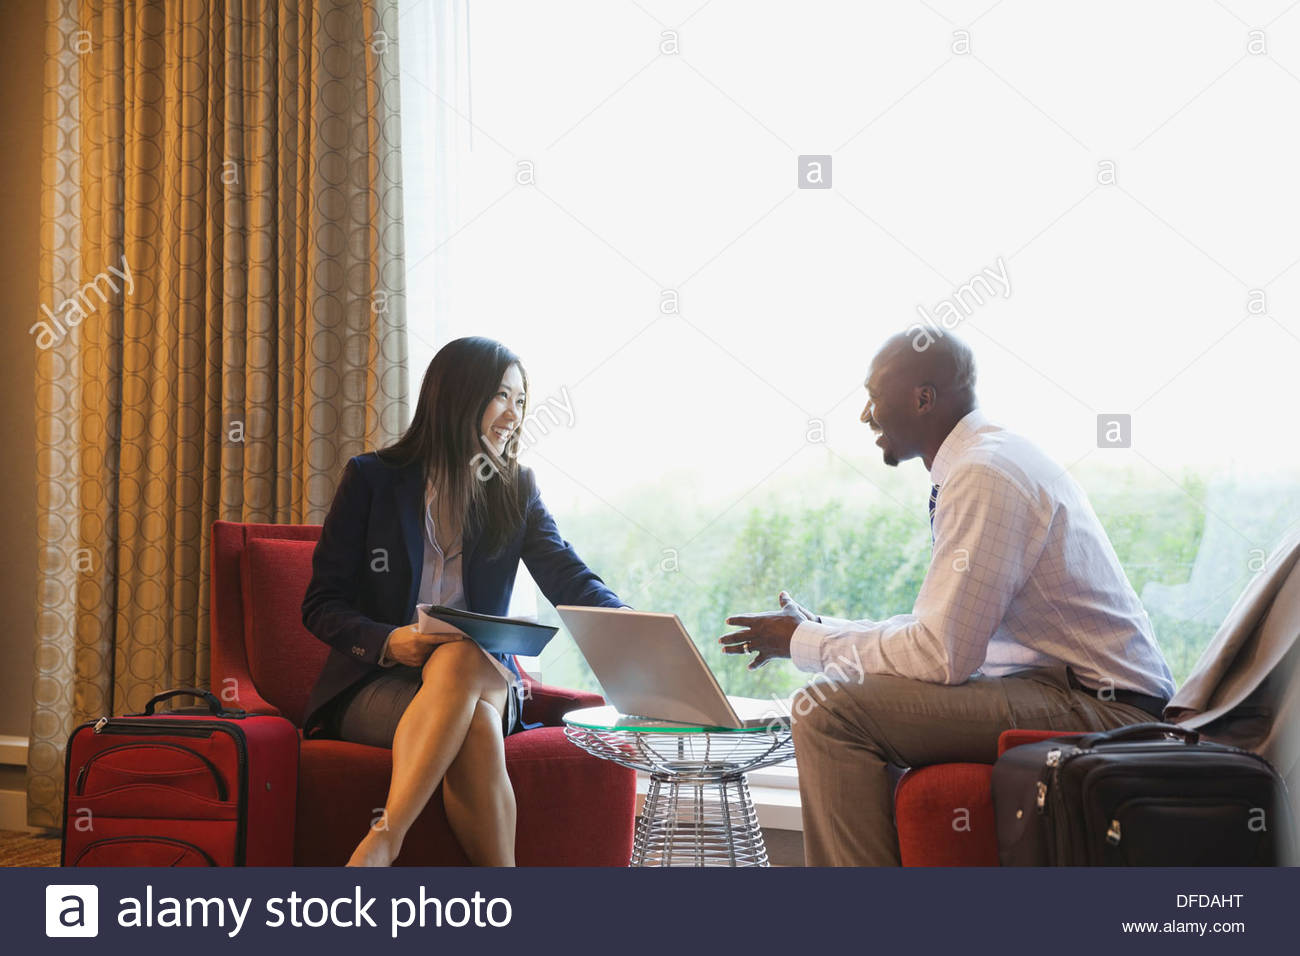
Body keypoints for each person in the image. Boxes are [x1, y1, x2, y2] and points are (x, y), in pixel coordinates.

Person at [720, 329, 1176, 866]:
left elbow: (940, 656)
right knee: (840, 698)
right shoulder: (983, 460)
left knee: (826, 712)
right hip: (1061, 691)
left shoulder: (985, 474)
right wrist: (814, 629)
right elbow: (938, 633)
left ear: (923, 398)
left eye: (873, 395)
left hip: (1106, 711)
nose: (866, 414)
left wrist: (807, 641)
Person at [300, 336, 623, 867]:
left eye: (521, 401)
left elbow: (567, 575)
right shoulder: (372, 480)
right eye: (502, 397)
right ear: (457, 396)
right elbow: (321, 602)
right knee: (473, 727)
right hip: (382, 683)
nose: (513, 416)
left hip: (485, 676)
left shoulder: (515, 488)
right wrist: (388, 641)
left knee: (459, 655)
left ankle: (386, 838)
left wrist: (630, 623)